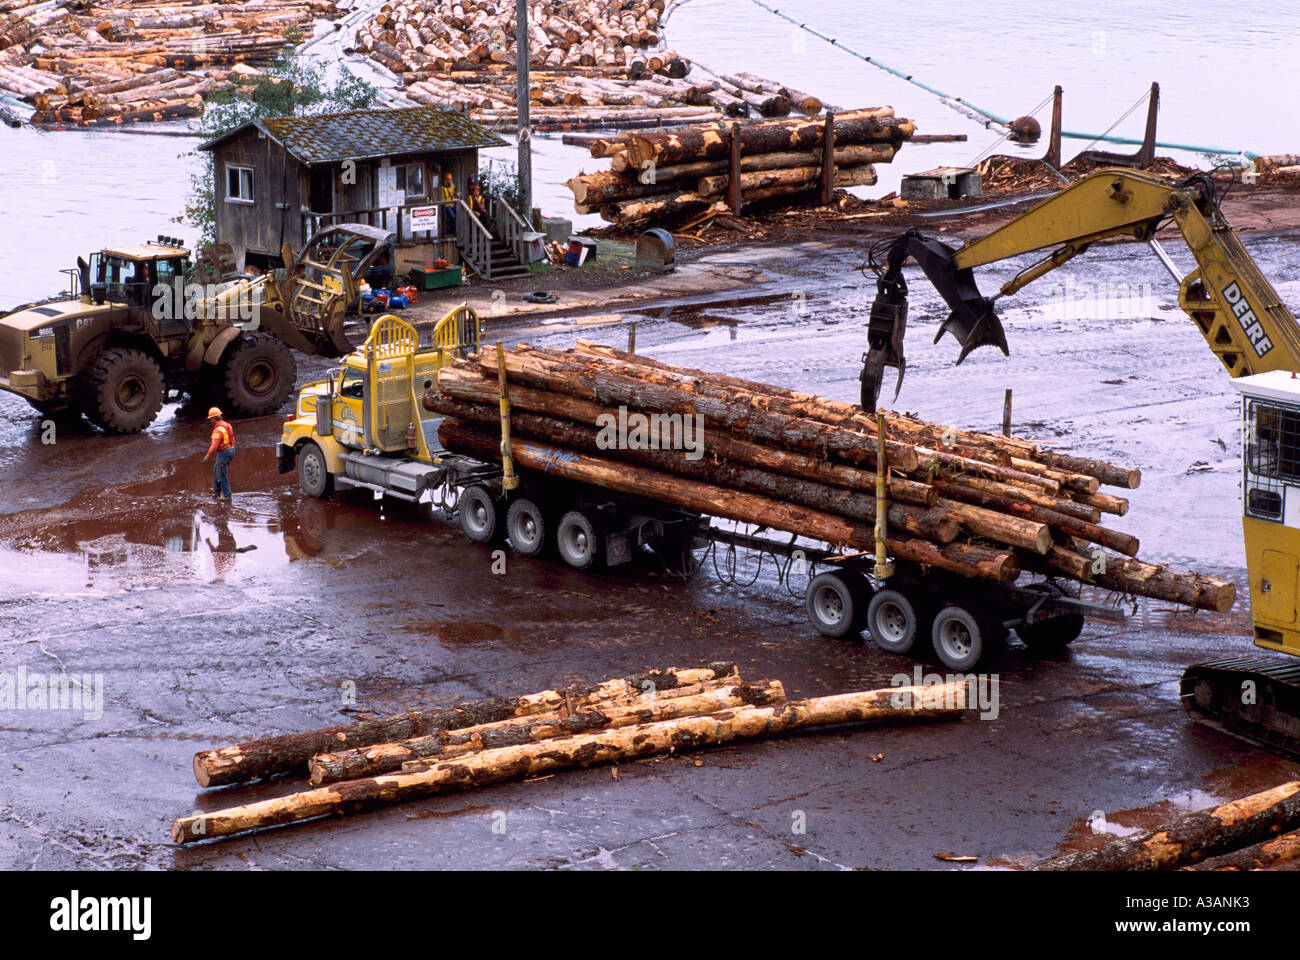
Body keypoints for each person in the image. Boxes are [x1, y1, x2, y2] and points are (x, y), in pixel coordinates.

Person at [202, 406, 236, 500]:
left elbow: (214, 445)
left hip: (224, 453)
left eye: (210, 419)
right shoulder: (227, 425)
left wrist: (208, 456)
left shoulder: (218, 430)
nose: (210, 421)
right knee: (216, 468)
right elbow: (232, 438)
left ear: (214, 418)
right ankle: (216, 489)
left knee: (222, 473)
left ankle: (227, 496)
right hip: (230, 450)